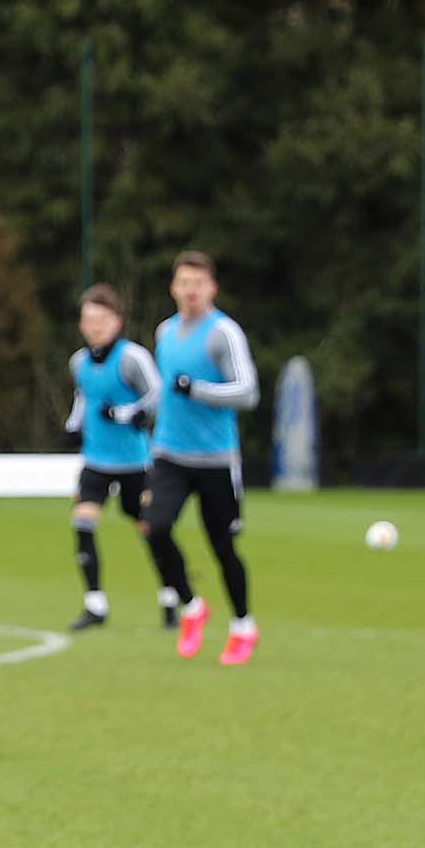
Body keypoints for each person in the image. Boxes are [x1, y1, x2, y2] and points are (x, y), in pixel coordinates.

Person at [147, 251, 262, 665]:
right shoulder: (165, 332)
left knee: (222, 547)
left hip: (215, 460)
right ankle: (192, 606)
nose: (190, 290)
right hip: (169, 455)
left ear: (211, 288)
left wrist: (197, 389)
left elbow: (247, 391)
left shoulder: (223, 333)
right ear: (173, 287)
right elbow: (165, 391)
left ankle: (243, 626)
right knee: (155, 529)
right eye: (184, 282)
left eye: (199, 283)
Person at [61, 284, 165, 631]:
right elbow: (83, 398)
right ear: (81, 324)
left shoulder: (132, 358)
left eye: (102, 319)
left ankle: (171, 595)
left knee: (150, 529)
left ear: (117, 322)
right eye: (89, 319)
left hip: (135, 462)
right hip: (96, 460)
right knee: (83, 522)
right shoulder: (79, 362)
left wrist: (128, 413)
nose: (95, 326)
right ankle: (95, 604)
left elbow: (156, 395)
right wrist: (74, 425)